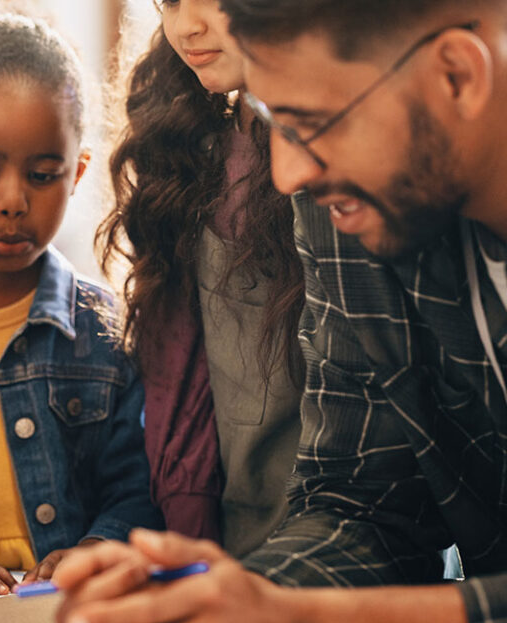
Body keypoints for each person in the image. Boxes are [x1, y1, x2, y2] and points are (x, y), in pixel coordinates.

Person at [54, 0, 507, 623]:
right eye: (273, 122)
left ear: (457, 75)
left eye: (312, 123)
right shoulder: (351, 203)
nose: (288, 173)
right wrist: (221, 612)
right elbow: (364, 505)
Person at [0, 0, 162, 598]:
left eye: (43, 175)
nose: (14, 200)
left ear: (77, 171)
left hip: (55, 615)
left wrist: (98, 547)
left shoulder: (105, 332)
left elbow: (137, 488)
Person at [98, 0, 303, 554]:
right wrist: (192, 537)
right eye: (168, 1)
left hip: (350, 540)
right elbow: (177, 365)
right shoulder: (189, 145)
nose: (186, 25)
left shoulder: (332, 153)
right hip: (227, 540)